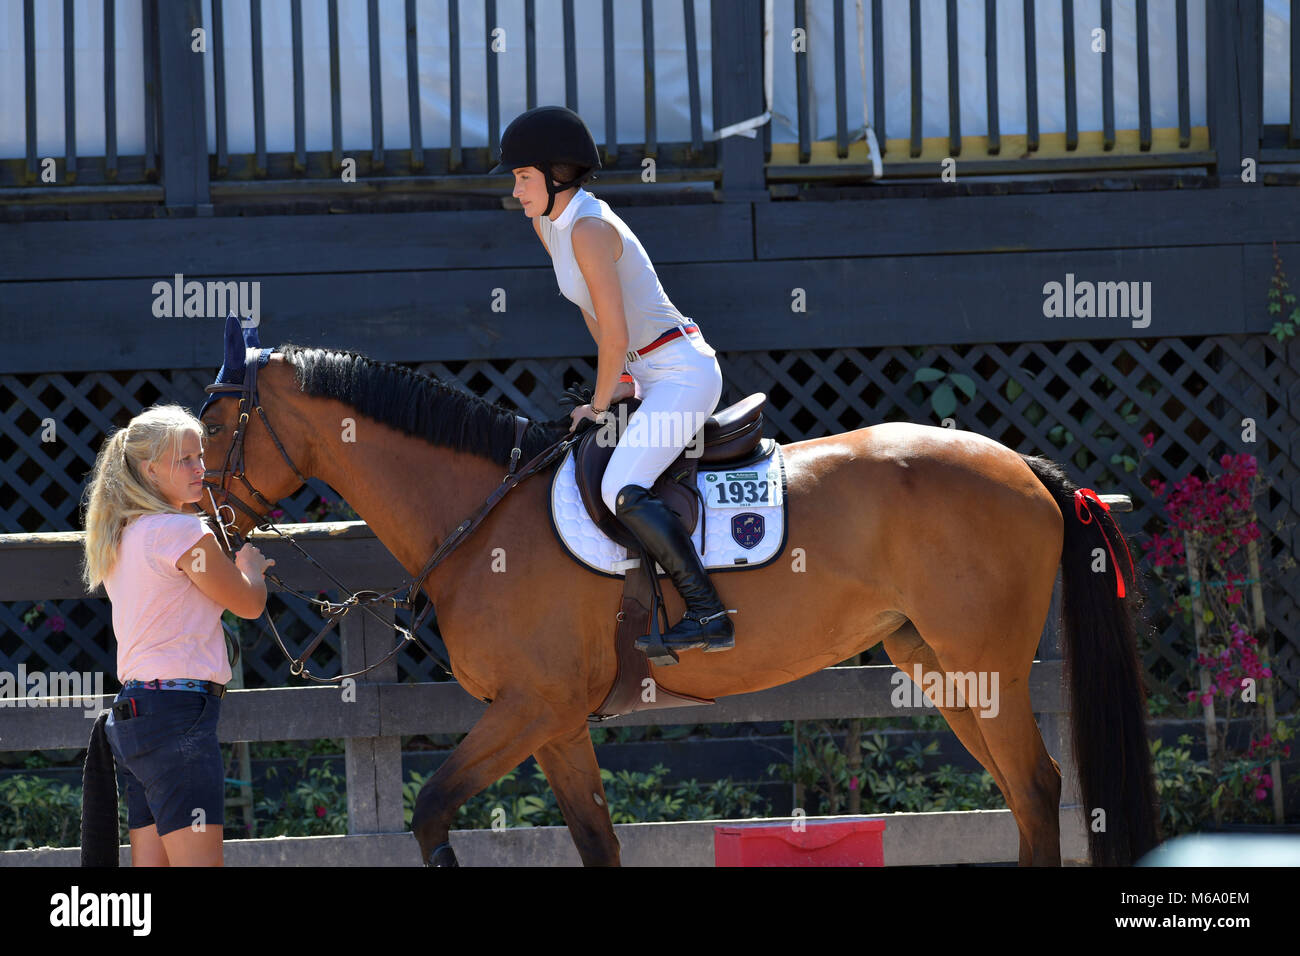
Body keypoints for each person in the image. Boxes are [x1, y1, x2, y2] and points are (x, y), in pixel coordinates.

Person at [491, 105, 736, 654]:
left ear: (559, 178)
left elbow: (615, 332)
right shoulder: (548, 225)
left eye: (524, 177)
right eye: (516, 178)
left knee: (619, 486)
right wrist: (624, 382)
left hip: (683, 373)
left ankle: (708, 612)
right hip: (648, 372)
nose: (517, 189)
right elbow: (591, 312)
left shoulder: (590, 229)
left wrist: (601, 407)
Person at [80, 404, 275, 865]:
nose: (200, 468)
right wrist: (252, 570)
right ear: (150, 470)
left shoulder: (122, 534)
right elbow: (248, 604)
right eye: (184, 459)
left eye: (199, 456)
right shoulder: (182, 531)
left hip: (136, 719)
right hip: (178, 719)